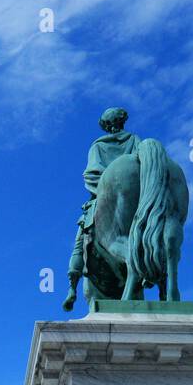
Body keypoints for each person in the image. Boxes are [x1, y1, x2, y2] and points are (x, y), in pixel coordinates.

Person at [64, 108, 140, 310]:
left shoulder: (98, 146)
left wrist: (106, 189)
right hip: (137, 200)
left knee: (81, 240)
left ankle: (72, 286)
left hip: (102, 200)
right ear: (122, 123)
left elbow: (92, 174)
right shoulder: (136, 141)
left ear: (106, 126)